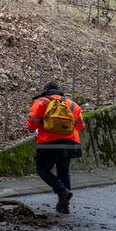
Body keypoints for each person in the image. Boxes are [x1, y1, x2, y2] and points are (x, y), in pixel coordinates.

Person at [26, 82, 85, 214]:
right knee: (64, 172)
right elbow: (80, 126)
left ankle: (62, 190)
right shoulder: (71, 104)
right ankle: (64, 205)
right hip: (69, 143)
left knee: (42, 169)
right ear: (59, 90)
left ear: (45, 90)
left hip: (48, 143)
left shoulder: (41, 102)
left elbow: (31, 125)